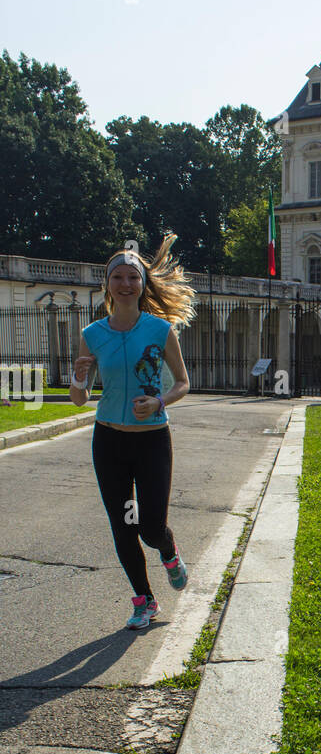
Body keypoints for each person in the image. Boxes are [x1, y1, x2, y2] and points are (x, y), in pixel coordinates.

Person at [69, 234, 196, 631]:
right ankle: (145, 600)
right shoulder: (93, 334)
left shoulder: (160, 330)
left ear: (143, 284)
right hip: (109, 440)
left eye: (133, 278)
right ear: (107, 284)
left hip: (152, 439)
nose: (126, 284)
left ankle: (169, 551)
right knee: (123, 525)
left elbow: (182, 383)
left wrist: (159, 402)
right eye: (118, 277)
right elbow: (79, 399)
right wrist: (77, 378)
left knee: (151, 525)